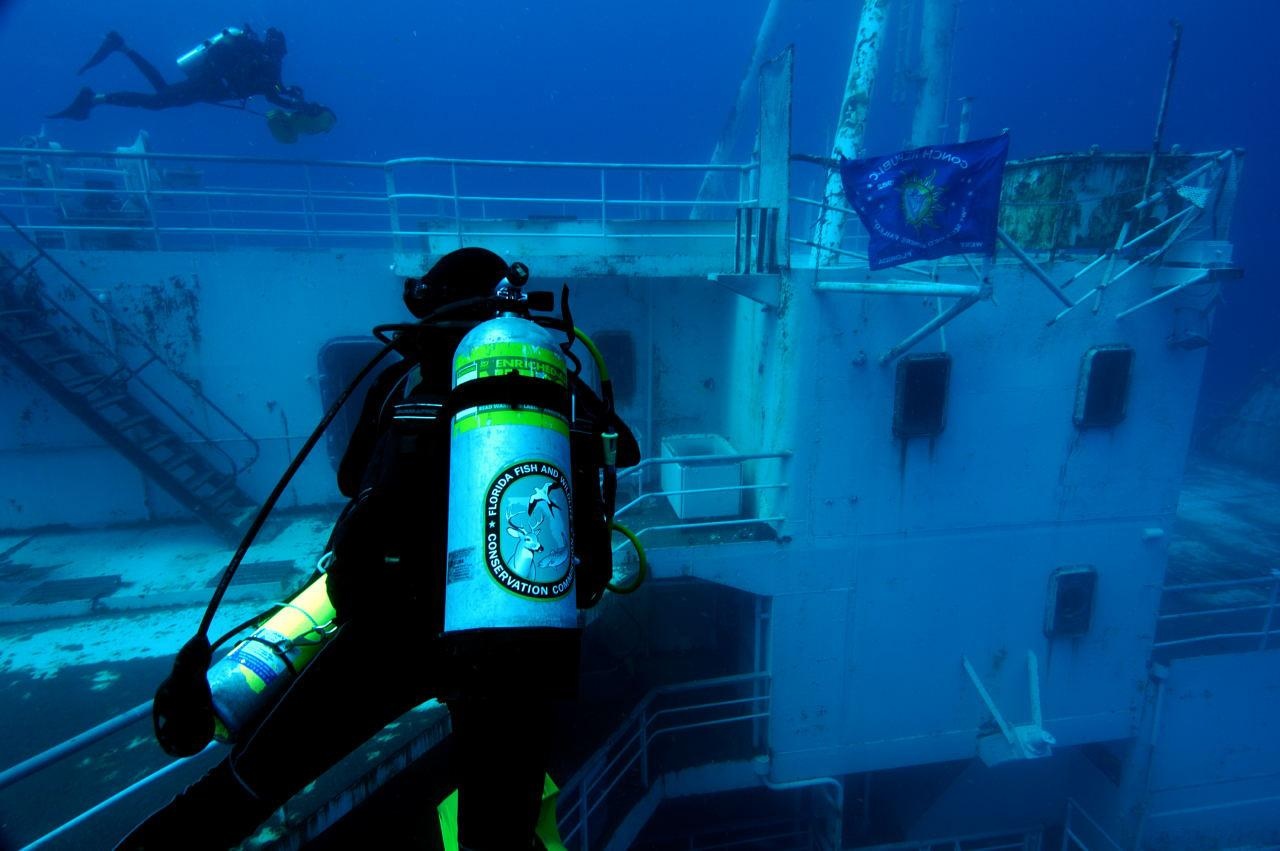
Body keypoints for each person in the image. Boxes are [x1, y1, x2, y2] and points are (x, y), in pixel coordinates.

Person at [116, 248, 639, 850]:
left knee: (251, 783)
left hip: (393, 623)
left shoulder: (401, 380)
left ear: (430, 304)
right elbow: (620, 449)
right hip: (509, 632)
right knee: (499, 829)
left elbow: (352, 479)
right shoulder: (543, 374)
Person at [48, 26, 336, 141]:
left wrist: (294, 98)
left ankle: (120, 48)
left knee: (161, 94)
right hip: (207, 86)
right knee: (157, 101)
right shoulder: (267, 64)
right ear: (279, 49)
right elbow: (273, 94)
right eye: (282, 51)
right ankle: (94, 97)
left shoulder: (260, 58)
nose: (282, 55)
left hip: (207, 82)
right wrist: (300, 105)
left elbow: (274, 91)